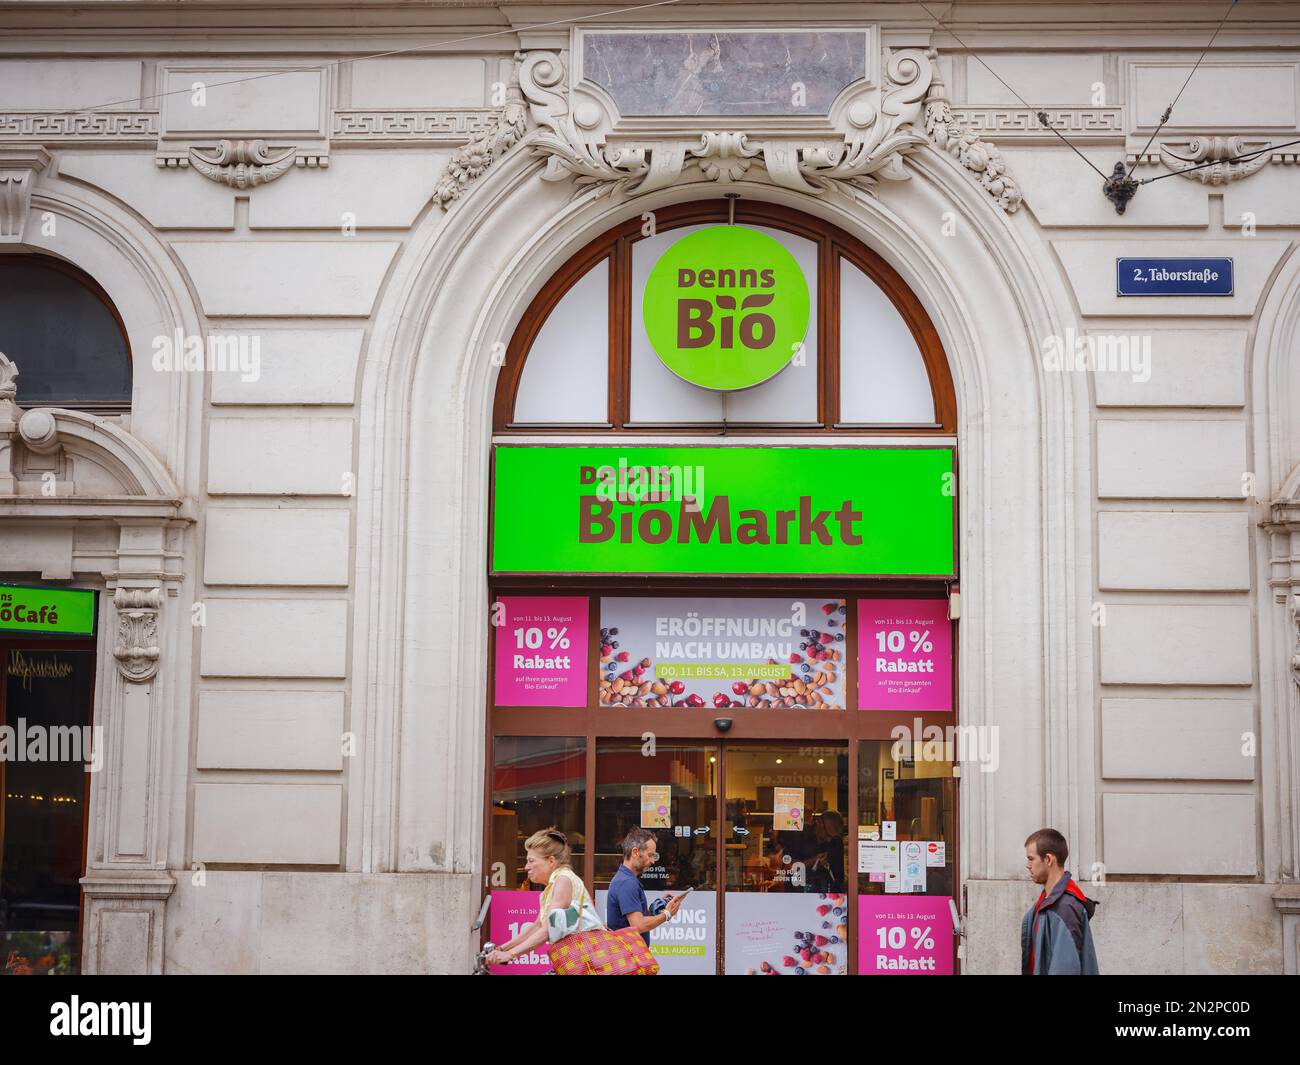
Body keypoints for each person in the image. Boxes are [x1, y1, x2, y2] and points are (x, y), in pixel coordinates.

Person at [486, 827, 602, 969]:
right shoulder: (551, 887)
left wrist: (510, 954)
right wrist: (501, 949)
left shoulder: (563, 880)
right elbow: (537, 926)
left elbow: (547, 930)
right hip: (577, 961)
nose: (526, 867)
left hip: (587, 963)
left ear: (551, 861)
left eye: (531, 861)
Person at [1021, 827, 1100, 975]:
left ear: (1049, 859)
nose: (1028, 865)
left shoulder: (1064, 908)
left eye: (1031, 859)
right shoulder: (1046, 903)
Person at [606, 827, 682, 944]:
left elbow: (631, 920)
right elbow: (638, 925)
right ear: (635, 852)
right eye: (650, 855)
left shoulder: (625, 879)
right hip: (629, 958)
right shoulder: (627, 883)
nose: (653, 861)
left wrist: (654, 909)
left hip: (628, 956)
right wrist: (667, 914)